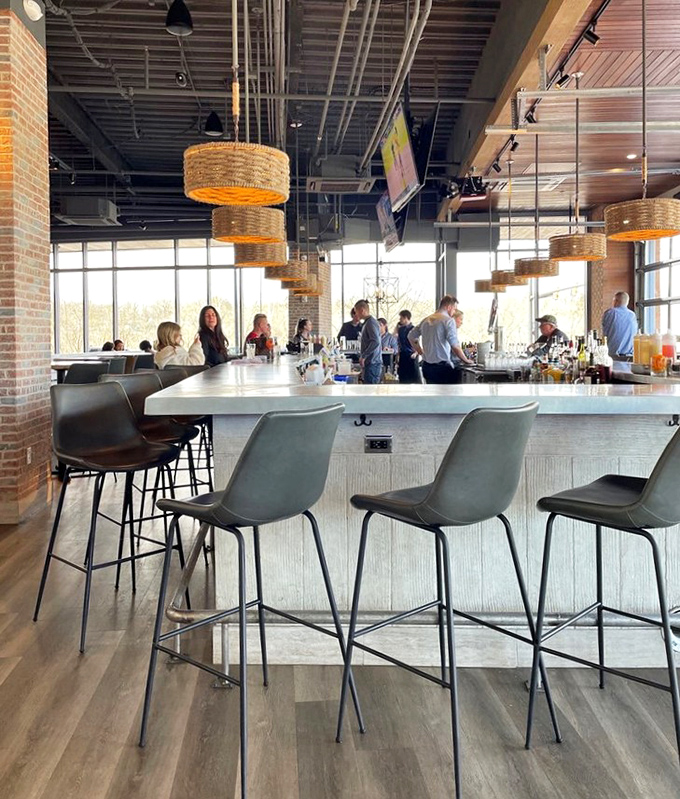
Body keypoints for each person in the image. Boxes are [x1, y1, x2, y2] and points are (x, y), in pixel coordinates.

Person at [407, 295, 473, 384]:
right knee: (446, 396)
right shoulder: (448, 321)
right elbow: (454, 345)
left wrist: (420, 351)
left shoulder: (426, 320)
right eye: (454, 309)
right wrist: (466, 360)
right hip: (442, 367)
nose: (454, 312)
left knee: (432, 395)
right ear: (449, 307)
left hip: (427, 366)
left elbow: (411, 336)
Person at [602, 291, 637, 359]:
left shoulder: (610, 313)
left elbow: (605, 335)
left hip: (613, 357)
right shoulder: (632, 315)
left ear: (616, 301)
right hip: (630, 357)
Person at [354, 299, 382, 384]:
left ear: (362, 310)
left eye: (356, 311)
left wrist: (364, 356)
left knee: (371, 391)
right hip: (371, 363)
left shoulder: (371, 323)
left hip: (372, 363)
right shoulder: (367, 323)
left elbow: (375, 341)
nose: (356, 314)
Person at [396, 309, 417, 384]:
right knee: (402, 377)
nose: (400, 320)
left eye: (401, 318)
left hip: (411, 354)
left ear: (405, 318)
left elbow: (416, 342)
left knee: (411, 377)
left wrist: (416, 352)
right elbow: (399, 343)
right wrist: (398, 355)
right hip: (402, 354)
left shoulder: (413, 329)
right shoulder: (400, 329)